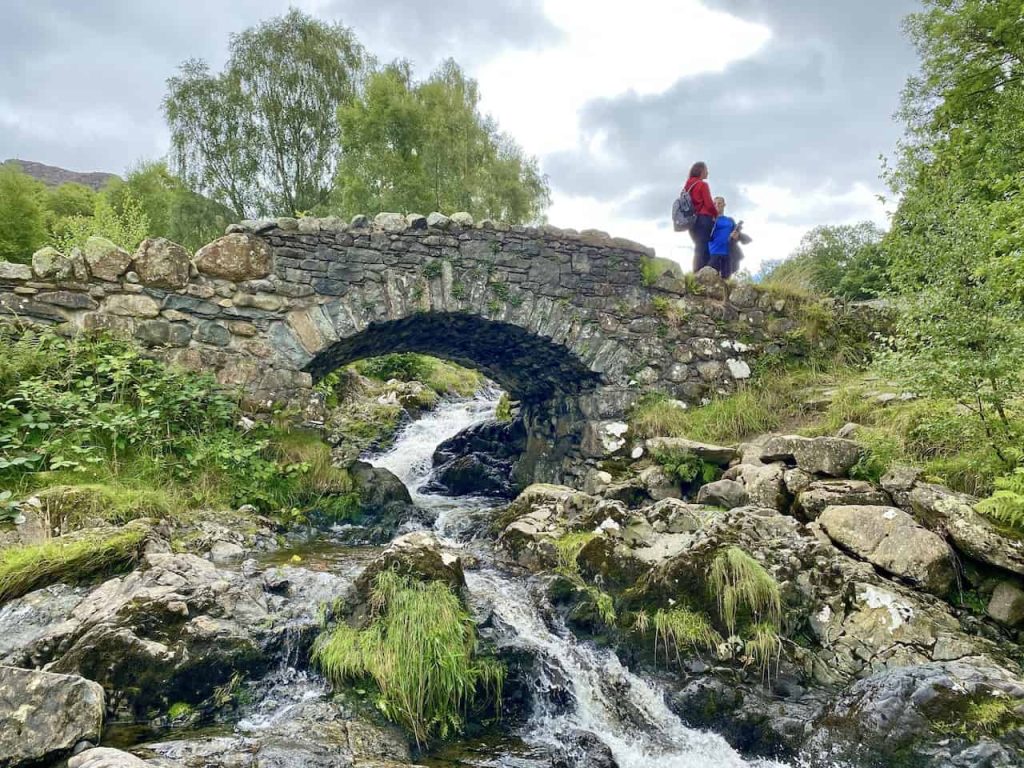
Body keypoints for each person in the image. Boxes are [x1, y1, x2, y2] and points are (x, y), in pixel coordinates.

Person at [683, 162, 716, 273]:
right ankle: (701, 273)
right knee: (703, 247)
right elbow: (709, 204)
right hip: (703, 218)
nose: (708, 172)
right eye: (706, 170)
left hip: (691, 220)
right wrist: (716, 214)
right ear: (701, 171)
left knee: (699, 245)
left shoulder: (687, 186)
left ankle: (701, 272)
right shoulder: (702, 185)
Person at [708, 196, 739, 278]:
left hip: (727, 254)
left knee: (726, 281)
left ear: (724, 205)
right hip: (713, 253)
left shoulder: (730, 220)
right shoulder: (710, 219)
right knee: (710, 280)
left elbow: (736, 236)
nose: (717, 205)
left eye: (719, 203)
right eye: (714, 204)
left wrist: (735, 236)